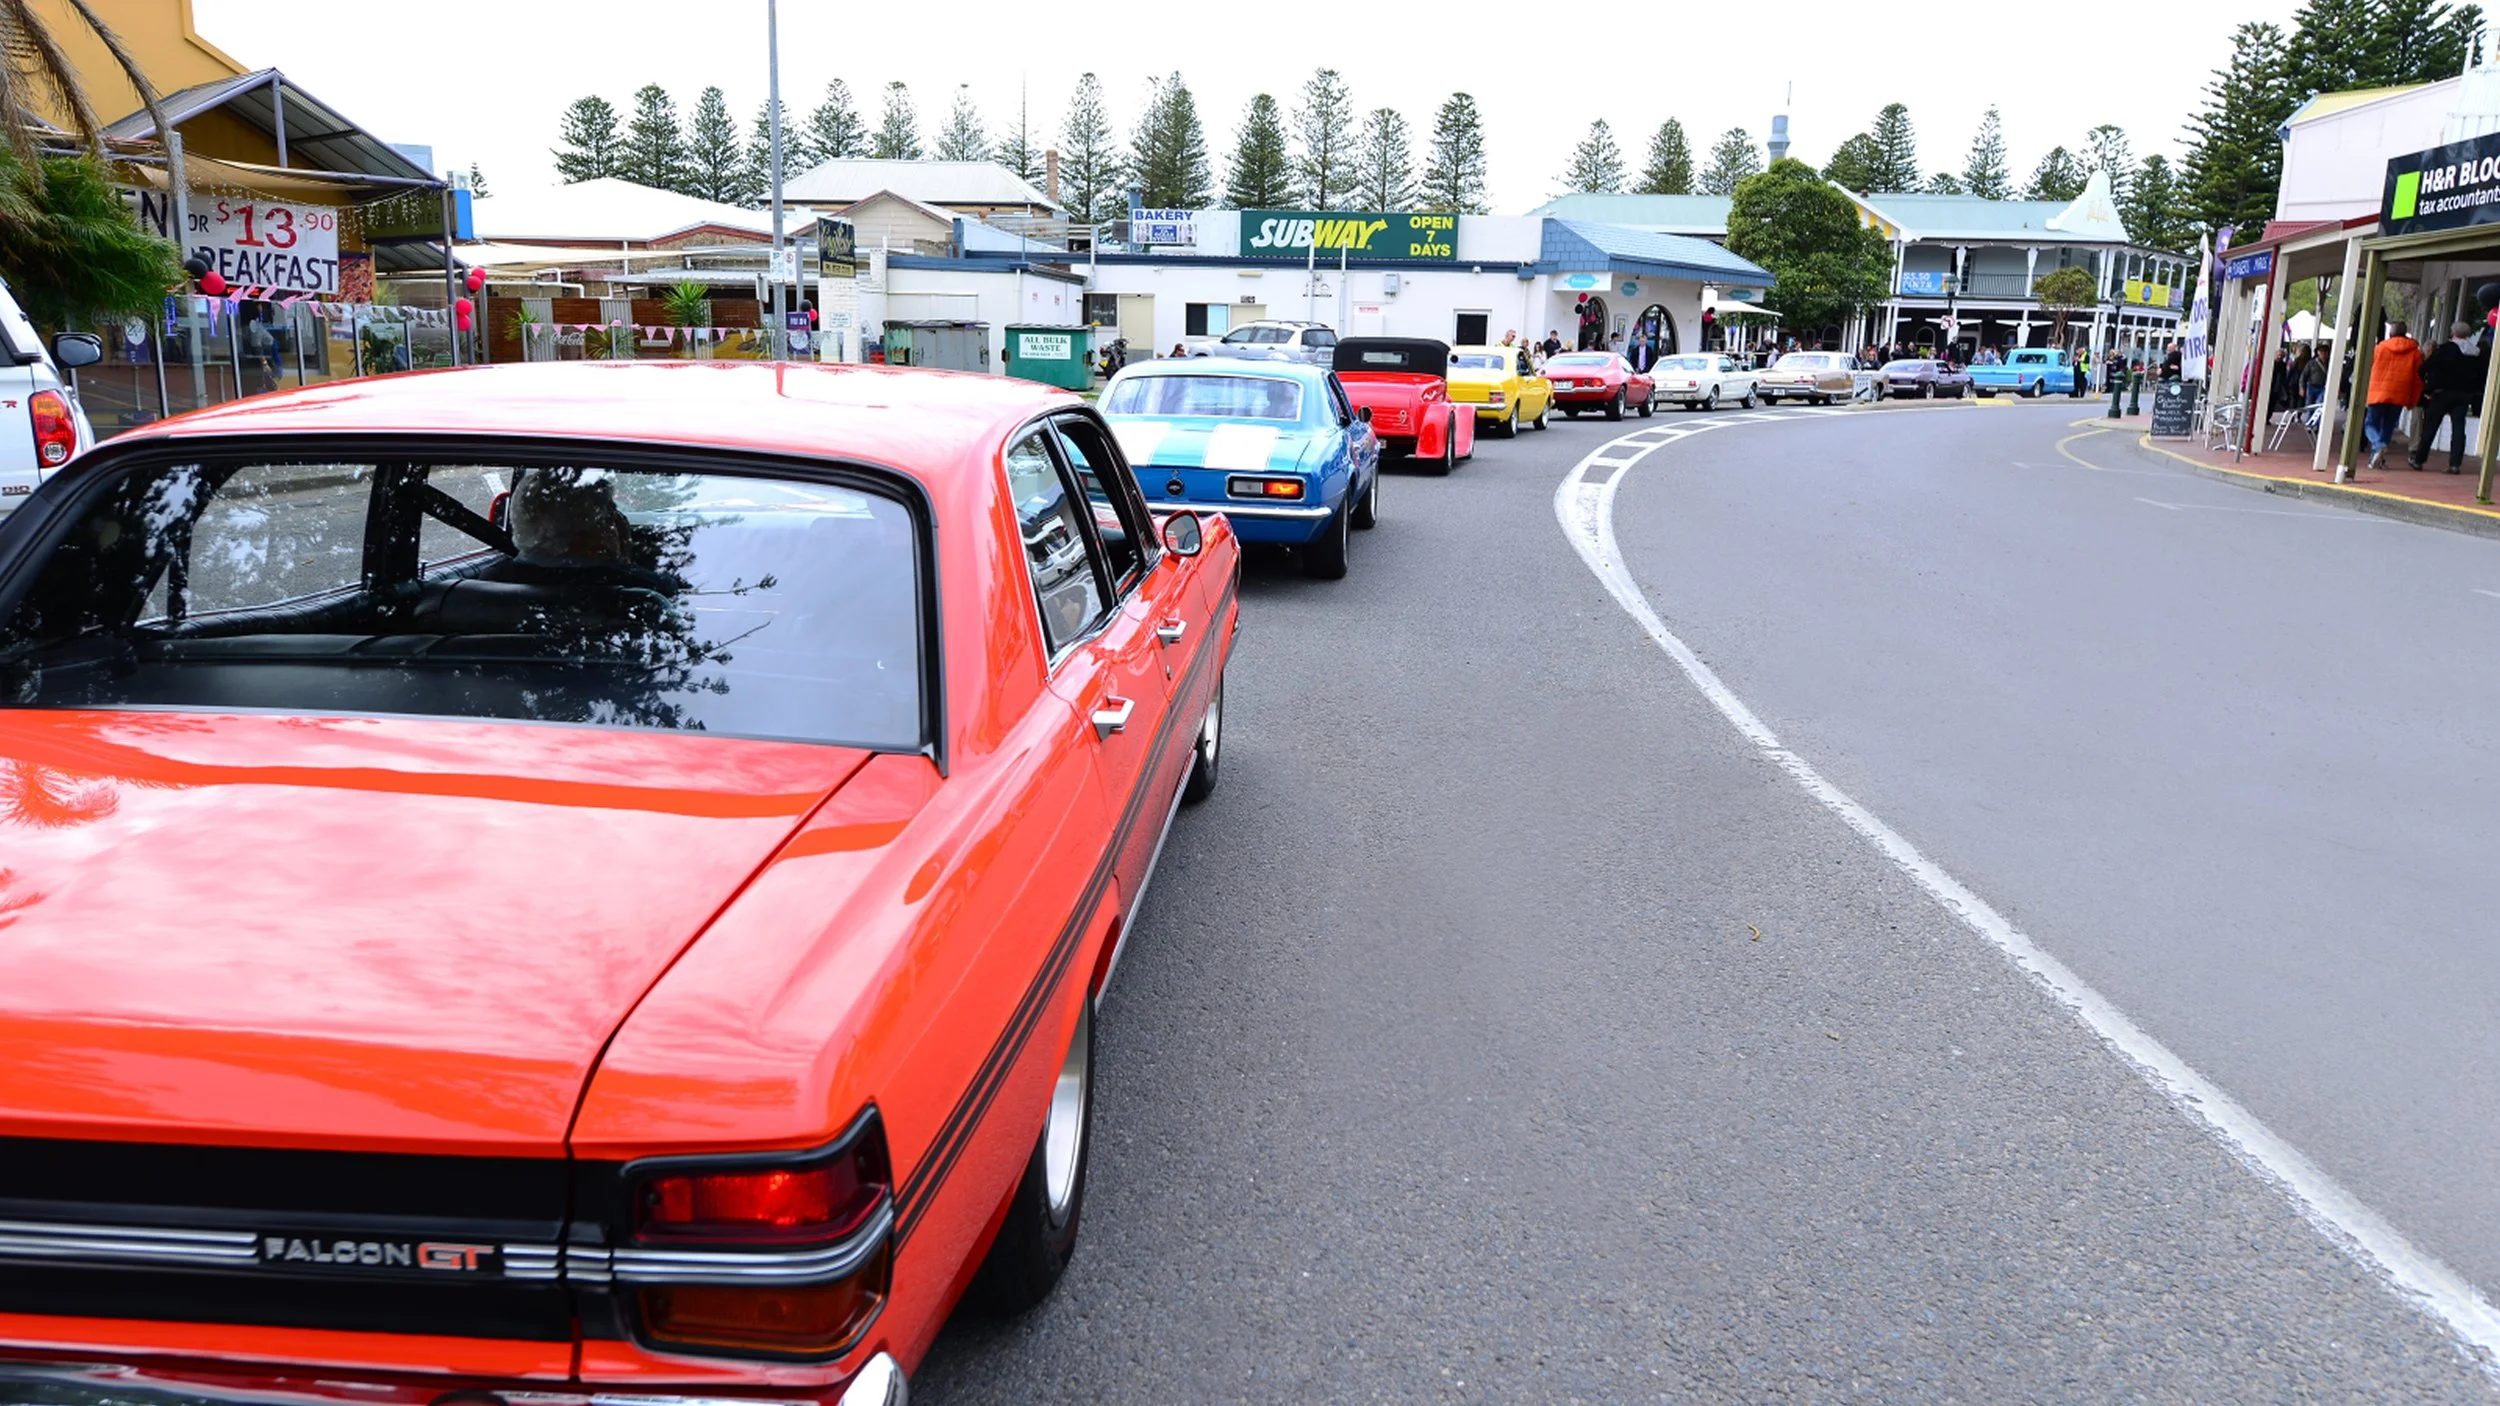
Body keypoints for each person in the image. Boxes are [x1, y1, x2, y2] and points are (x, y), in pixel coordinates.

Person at [2409, 321, 2485, 472]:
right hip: (2464, 394)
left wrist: (2428, 385)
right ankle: (2455, 464)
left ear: (2452, 332)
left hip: (2442, 393)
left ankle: (2419, 459)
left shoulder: (2445, 349)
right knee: (2458, 428)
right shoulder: (2475, 352)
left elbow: (2424, 367)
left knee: (2430, 427)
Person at [2363, 320, 2425, 470]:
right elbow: (2418, 379)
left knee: (2370, 423)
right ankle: (2376, 458)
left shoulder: (2380, 348)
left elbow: (2369, 369)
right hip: (2400, 394)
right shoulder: (2415, 353)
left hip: (2378, 391)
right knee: (2388, 426)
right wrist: (2413, 400)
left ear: (2390, 333)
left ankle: (2378, 446)